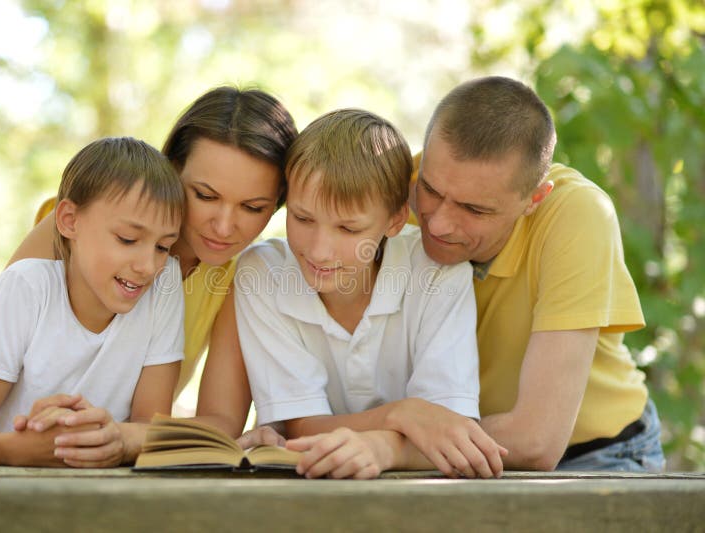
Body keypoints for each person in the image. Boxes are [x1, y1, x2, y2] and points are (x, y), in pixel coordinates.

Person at [0, 87, 297, 467]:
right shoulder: (77, 233)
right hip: (7, 445)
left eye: (252, 206)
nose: (224, 226)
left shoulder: (240, 275)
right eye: (205, 196)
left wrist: (121, 439)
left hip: (105, 457)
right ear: (172, 171)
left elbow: (219, 422)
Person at [396, 76, 664, 471]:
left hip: (596, 455)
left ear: (534, 199)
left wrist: (389, 447)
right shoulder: (392, 186)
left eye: (474, 210)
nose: (437, 224)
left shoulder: (576, 213)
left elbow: (536, 440)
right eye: (431, 192)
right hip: (451, 451)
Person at [233, 109, 506, 479]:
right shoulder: (262, 273)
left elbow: (448, 429)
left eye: (348, 228)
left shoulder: (438, 272)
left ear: (395, 219)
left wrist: (390, 441)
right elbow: (300, 426)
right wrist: (402, 414)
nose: (319, 250)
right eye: (302, 218)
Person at [0, 137, 185, 466]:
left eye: (163, 247)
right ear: (70, 220)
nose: (148, 266)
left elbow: (151, 427)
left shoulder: (164, 284)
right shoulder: (25, 287)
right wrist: (17, 450)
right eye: (128, 239)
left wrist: (112, 437)